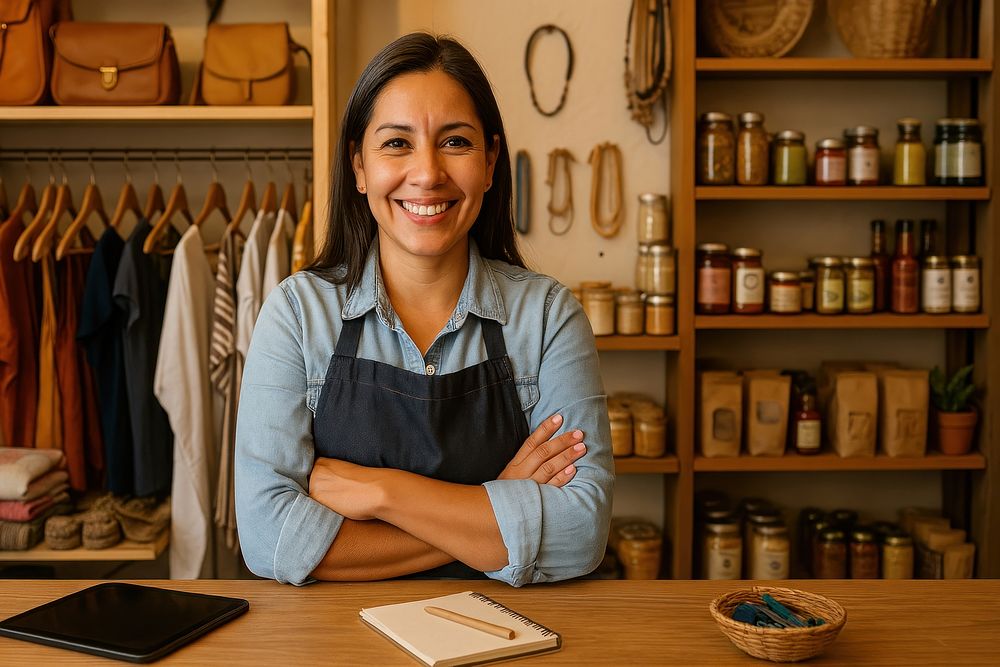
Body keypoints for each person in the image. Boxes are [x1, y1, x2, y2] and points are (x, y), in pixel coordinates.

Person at [235, 32, 613, 586]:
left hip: (505, 638)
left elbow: (582, 533)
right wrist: (496, 505)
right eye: (396, 143)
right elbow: (268, 541)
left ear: (489, 163)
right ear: (359, 167)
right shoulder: (297, 316)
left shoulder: (548, 317)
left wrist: (386, 494)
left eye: (456, 142)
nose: (428, 172)